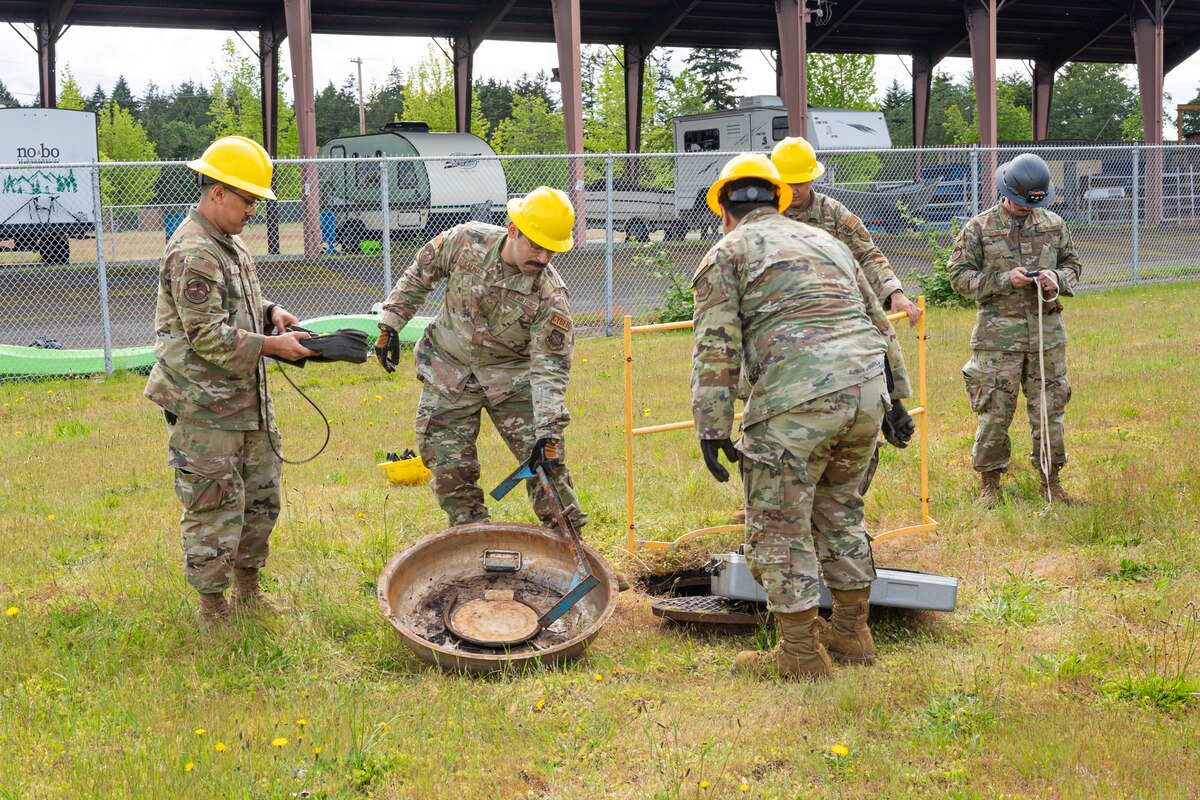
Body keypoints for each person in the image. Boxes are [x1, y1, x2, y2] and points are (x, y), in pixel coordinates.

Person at [691, 153, 890, 679]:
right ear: (779, 200)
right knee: (841, 510)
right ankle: (852, 632)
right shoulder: (829, 242)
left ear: (724, 209)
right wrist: (898, 402)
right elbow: (878, 322)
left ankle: (800, 656)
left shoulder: (727, 252)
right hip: (867, 392)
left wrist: (712, 428)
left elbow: (716, 349)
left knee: (780, 527)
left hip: (796, 402)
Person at [374, 186, 604, 561]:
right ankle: (471, 548)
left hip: (510, 382)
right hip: (448, 370)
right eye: (536, 246)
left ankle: (577, 555)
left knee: (547, 465)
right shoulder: (464, 241)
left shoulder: (550, 295)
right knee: (450, 467)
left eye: (552, 250)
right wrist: (390, 323)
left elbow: (550, 366)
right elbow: (420, 275)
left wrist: (547, 428)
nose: (543, 257)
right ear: (513, 229)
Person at [144, 136, 314, 625]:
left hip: (245, 400)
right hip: (204, 406)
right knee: (213, 505)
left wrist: (270, 312)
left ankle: (249, 590)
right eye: (247, 200)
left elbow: (236, 307)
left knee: (261, 498)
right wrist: (273, 346)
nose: (252, 211)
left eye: (257, 202)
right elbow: (207, 337)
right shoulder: (194, 252)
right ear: (217, 193)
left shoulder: (230, 244)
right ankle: (212, 607)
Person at [771, 136, 917, 495]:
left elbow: (869, 254)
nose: (795, 189)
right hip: (786, 320)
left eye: (801, 181)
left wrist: (894, 292)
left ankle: (890, 402)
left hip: (838, 313)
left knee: (879, 337)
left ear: (813, 178)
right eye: (788, 182)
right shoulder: (765, 215)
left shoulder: (833, 213)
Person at [948, 153, 1082, 507]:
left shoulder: (1054, 223)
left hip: (1046, 338)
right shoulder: (978, 228)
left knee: (1050, 412)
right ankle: (989, 487)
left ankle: (1051, 484)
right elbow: (959, 276)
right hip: (997, 341)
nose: (1026, 209)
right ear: (1007, 192)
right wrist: (1004, 280)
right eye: (1021, 204)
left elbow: (1072, 263)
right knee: (994, 412)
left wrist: (1059, 278)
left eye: (1032, 204)